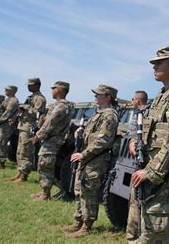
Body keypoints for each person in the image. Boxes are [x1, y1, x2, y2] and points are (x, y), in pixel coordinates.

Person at [126, 45, 169, 243]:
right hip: (143, 172)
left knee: (153, 235)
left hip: (159, 179)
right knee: (134, 229)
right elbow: (147, 129)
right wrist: (134, 141)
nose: (153, 67)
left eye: (158, 63)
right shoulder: (160, 97)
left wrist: (151, 172)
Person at [61, 84, 119, 238]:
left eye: (98, 94)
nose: (95, 97)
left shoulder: (110, 115)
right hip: (88, 158)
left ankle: (87, 225)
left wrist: (83, 154)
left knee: (89, 191)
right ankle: (78, 221)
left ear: (108, 97)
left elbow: (103, 141)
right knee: (79, 189)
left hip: (96, 159)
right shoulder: (98, 113)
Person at [30, 81, 73, 201]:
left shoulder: (61, 106)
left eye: (53, 88)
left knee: (45, 165)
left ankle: (46, 194)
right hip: (53, 139)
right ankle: (45, 191)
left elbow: (49, 124)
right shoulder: (63, 105)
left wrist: (37, 136)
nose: (52, 91)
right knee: (45, 165)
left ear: (58, 90)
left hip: (52, 140)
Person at [10, 78, 47, 183]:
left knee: (26, 152)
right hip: (23, 126)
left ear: (37, 85)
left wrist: (25, 107)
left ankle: (24, 175)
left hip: (29, 128)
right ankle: (20, 172)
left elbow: (38, 114)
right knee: (20, 151)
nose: (28, 87)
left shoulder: (40, 99)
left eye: (30, 85)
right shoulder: (31, 97)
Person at [0, 86, 19, 169]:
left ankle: (1, 163)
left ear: (13, 91)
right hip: (1, 124)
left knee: (1, 143)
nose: (5, 91)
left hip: (5, 125)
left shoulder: (13, 101)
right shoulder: (7, 100)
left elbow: (7, 114)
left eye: (7, 90)